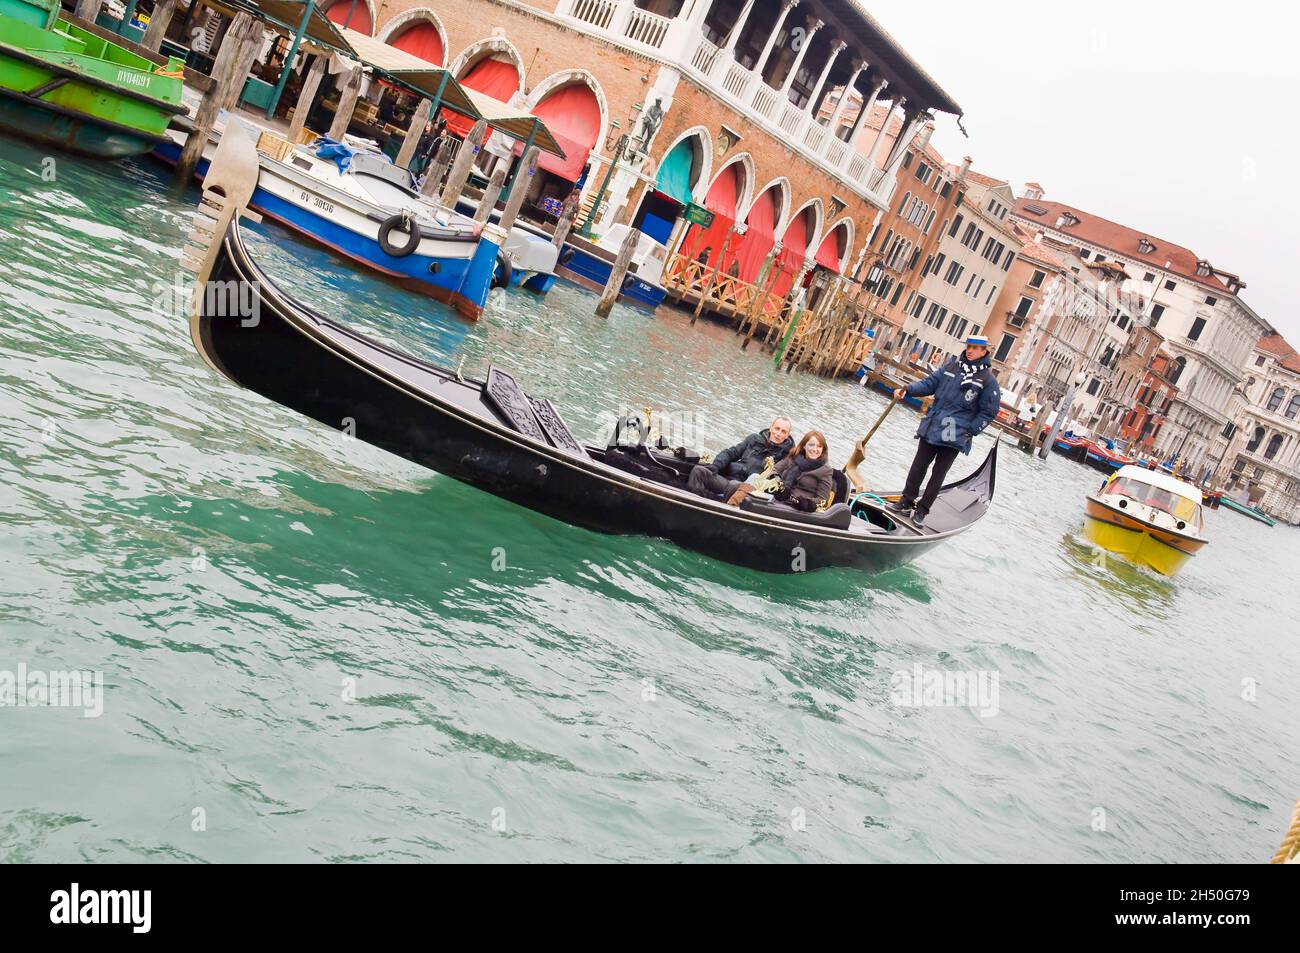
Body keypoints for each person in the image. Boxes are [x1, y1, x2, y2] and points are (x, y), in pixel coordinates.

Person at [891, 335, 1001, 526]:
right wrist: (907, 389)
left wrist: (970, 431)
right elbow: (928, 384)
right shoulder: (952, 367)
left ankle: (922, 511)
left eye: (975, 348)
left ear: (984, 352)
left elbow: (988, 412)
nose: (970, 350)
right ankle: (906, 501)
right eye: (969, 346)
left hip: (955, 432)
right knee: (918, 467)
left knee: (938, 473)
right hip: (933, 424)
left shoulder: (988, 381)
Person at [687, 417, 794, 500]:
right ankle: (693, 501)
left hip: (747, 489)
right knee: (698, 471)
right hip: (727, 479)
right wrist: (716, 466)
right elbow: (730, 453)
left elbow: (778, 480)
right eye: (777, 428)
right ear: (771, 428)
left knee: (735, 485)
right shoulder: (754, 439)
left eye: (783, 431)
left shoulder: (787, 455)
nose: (778, 433)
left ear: (787, 435)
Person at [728, 430, 834, 512]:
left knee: (759, 499)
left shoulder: (825, 470)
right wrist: (779, 486)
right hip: (779, 494)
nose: (815, 449)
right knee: (755, 477)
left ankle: (733, 510)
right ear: (804, 446)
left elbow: (822, 500)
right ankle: (731, 508)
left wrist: (803, 502)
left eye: (819, 446)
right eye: (811, 445)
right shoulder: (793, 457)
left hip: (795, 506)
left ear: (823, 449)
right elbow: (774, 470)